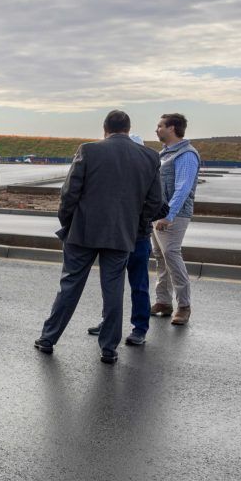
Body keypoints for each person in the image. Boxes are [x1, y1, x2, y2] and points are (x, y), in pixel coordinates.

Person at [35, 111, 164, 363]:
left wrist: (68, 223)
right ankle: (109, 348)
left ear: (105, 129)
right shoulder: (149, 157)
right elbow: (154, 201)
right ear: (128, 129)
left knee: (70, 285)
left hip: (83, 230)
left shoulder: (89, 150)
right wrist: (135, 226)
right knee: (114, 290)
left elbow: (69, 194)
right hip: (121, 233)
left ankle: (49, 338)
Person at [86, 132, 155, 347]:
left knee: (138, 285)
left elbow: (159, 204)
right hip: (120, 236)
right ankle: (110, 324)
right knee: (112, 286)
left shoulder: (147, 174)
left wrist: (139, 221)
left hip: (137, 237)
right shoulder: (126, 173)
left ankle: (139, 328)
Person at [150, 113, 201, 326]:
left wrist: (168, 215)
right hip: (159, 213)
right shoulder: (165, 153)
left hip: (174, 214)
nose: (157, 130)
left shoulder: (186, 154)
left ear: (172, 128)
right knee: (161, 257)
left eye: (160, 126)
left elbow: (183, 188)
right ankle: (163, 301)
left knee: (171, 253)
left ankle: (184, 306)